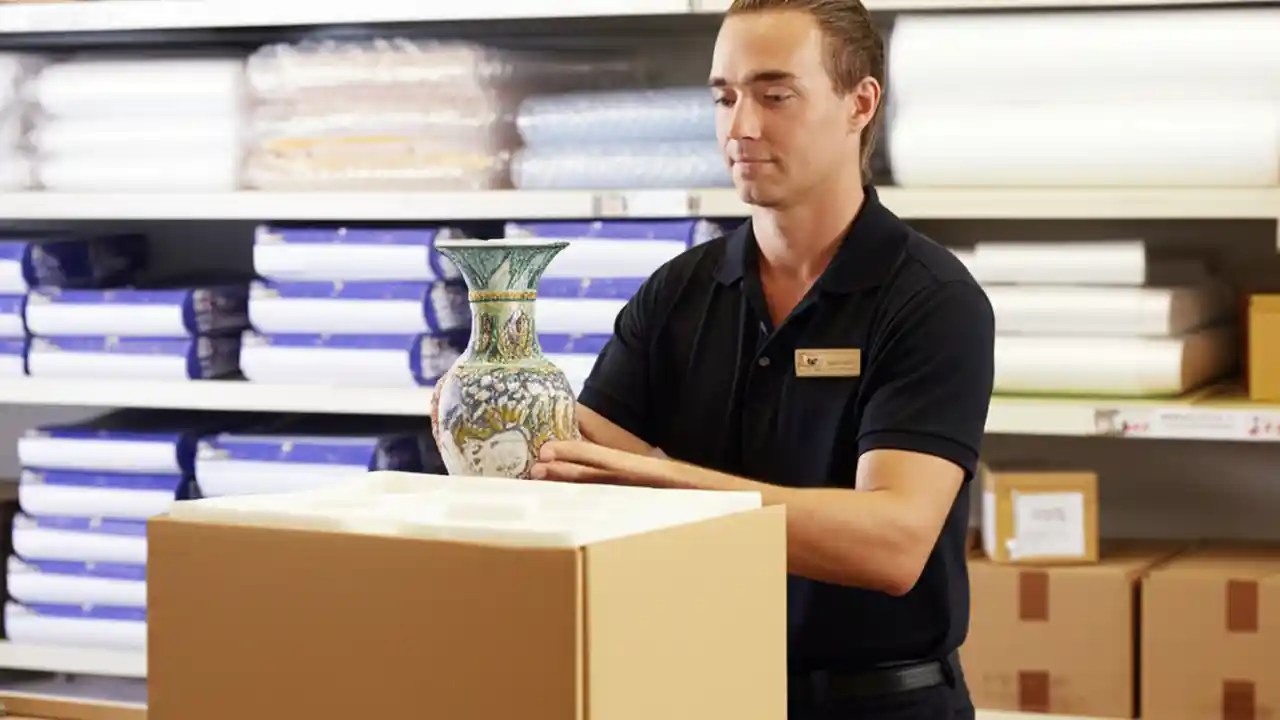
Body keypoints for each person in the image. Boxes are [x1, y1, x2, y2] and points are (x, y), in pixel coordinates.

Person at [529, 1, 995, 718]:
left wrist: (662, 483)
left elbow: (892, 544)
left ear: (858, 103)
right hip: (702, 690)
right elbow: (587, 455)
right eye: (725, 97)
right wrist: (501, 406)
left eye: (775, 95)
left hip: (879, 705)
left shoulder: (931, 301)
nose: (740, 127)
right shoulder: (679, 292)